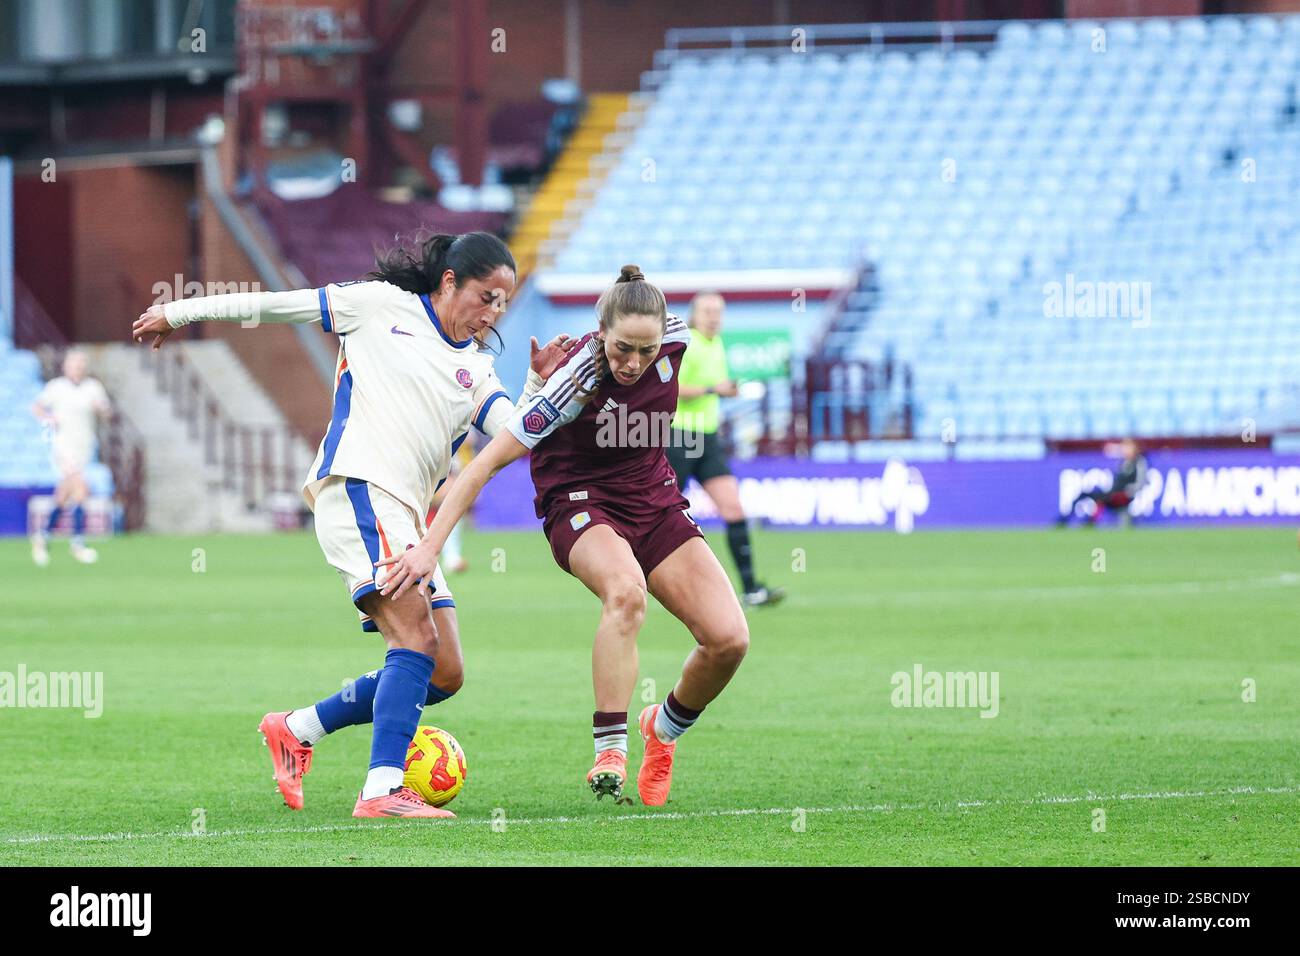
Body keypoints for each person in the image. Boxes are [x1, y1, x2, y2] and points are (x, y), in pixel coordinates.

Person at [132, 231, 570, 819]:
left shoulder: (475, 368)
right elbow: (273, 305)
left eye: (502, 303)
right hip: (359, 488)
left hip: (406, 520)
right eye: (485, 296)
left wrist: (540, 384)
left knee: (444, 672)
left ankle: (297, 729)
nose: (493, 313)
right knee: (415, 638)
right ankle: (382, 790)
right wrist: (179, 311)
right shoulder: (378, 305)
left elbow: (512, 436)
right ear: (449, 283)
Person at [378, 265, 750, 808]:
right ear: (601, 332)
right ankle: (611, 750)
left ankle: (662, 732)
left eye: (645, 353)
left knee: (729, 640)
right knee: (625, 591)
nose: (634, 363)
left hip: (654, 499)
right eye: (622, 348)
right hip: (579, 501)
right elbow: (482, 466)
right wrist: (431, 546)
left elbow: (658, 346)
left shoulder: (675, 338)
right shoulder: (574, 378)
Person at [666, 291, 783, 607]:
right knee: (661, 515)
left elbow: (712, 388)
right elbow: (672, 388)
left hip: (708, 439)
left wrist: (724, 390)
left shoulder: (716, 344)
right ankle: (638, 579)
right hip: (680, 438)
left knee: (733, 509)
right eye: (707, 311)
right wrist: (712, 389)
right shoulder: (686, 344)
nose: (714, 317)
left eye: (718, 311)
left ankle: (751, 589)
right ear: (694, 314)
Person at [30, 349, 112, 566]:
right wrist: (49, 419)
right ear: (66, 366)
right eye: (75, 364)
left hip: (84, 448)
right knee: (81, 489)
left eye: (81, 364)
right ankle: (77, 543)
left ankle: (42, 536)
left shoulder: (92, 387)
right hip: (63, 448)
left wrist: (102, 410)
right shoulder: (56, 387)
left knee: (64, 496)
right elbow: (36, 407)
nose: (78, 367)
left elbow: (106, 411)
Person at [1058, 438, 1149, 527]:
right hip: (1114, 493)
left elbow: (1141, 481)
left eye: (1128, 448)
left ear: (1135, 448)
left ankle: (1089, 522)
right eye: (1124, 448)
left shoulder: (1139, 462)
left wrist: (1129, 491)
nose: (1125, 450)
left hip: (1124, 495)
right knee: (1085, 494)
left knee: (1101, 498)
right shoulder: (1124, 462)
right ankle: (1065, 519)